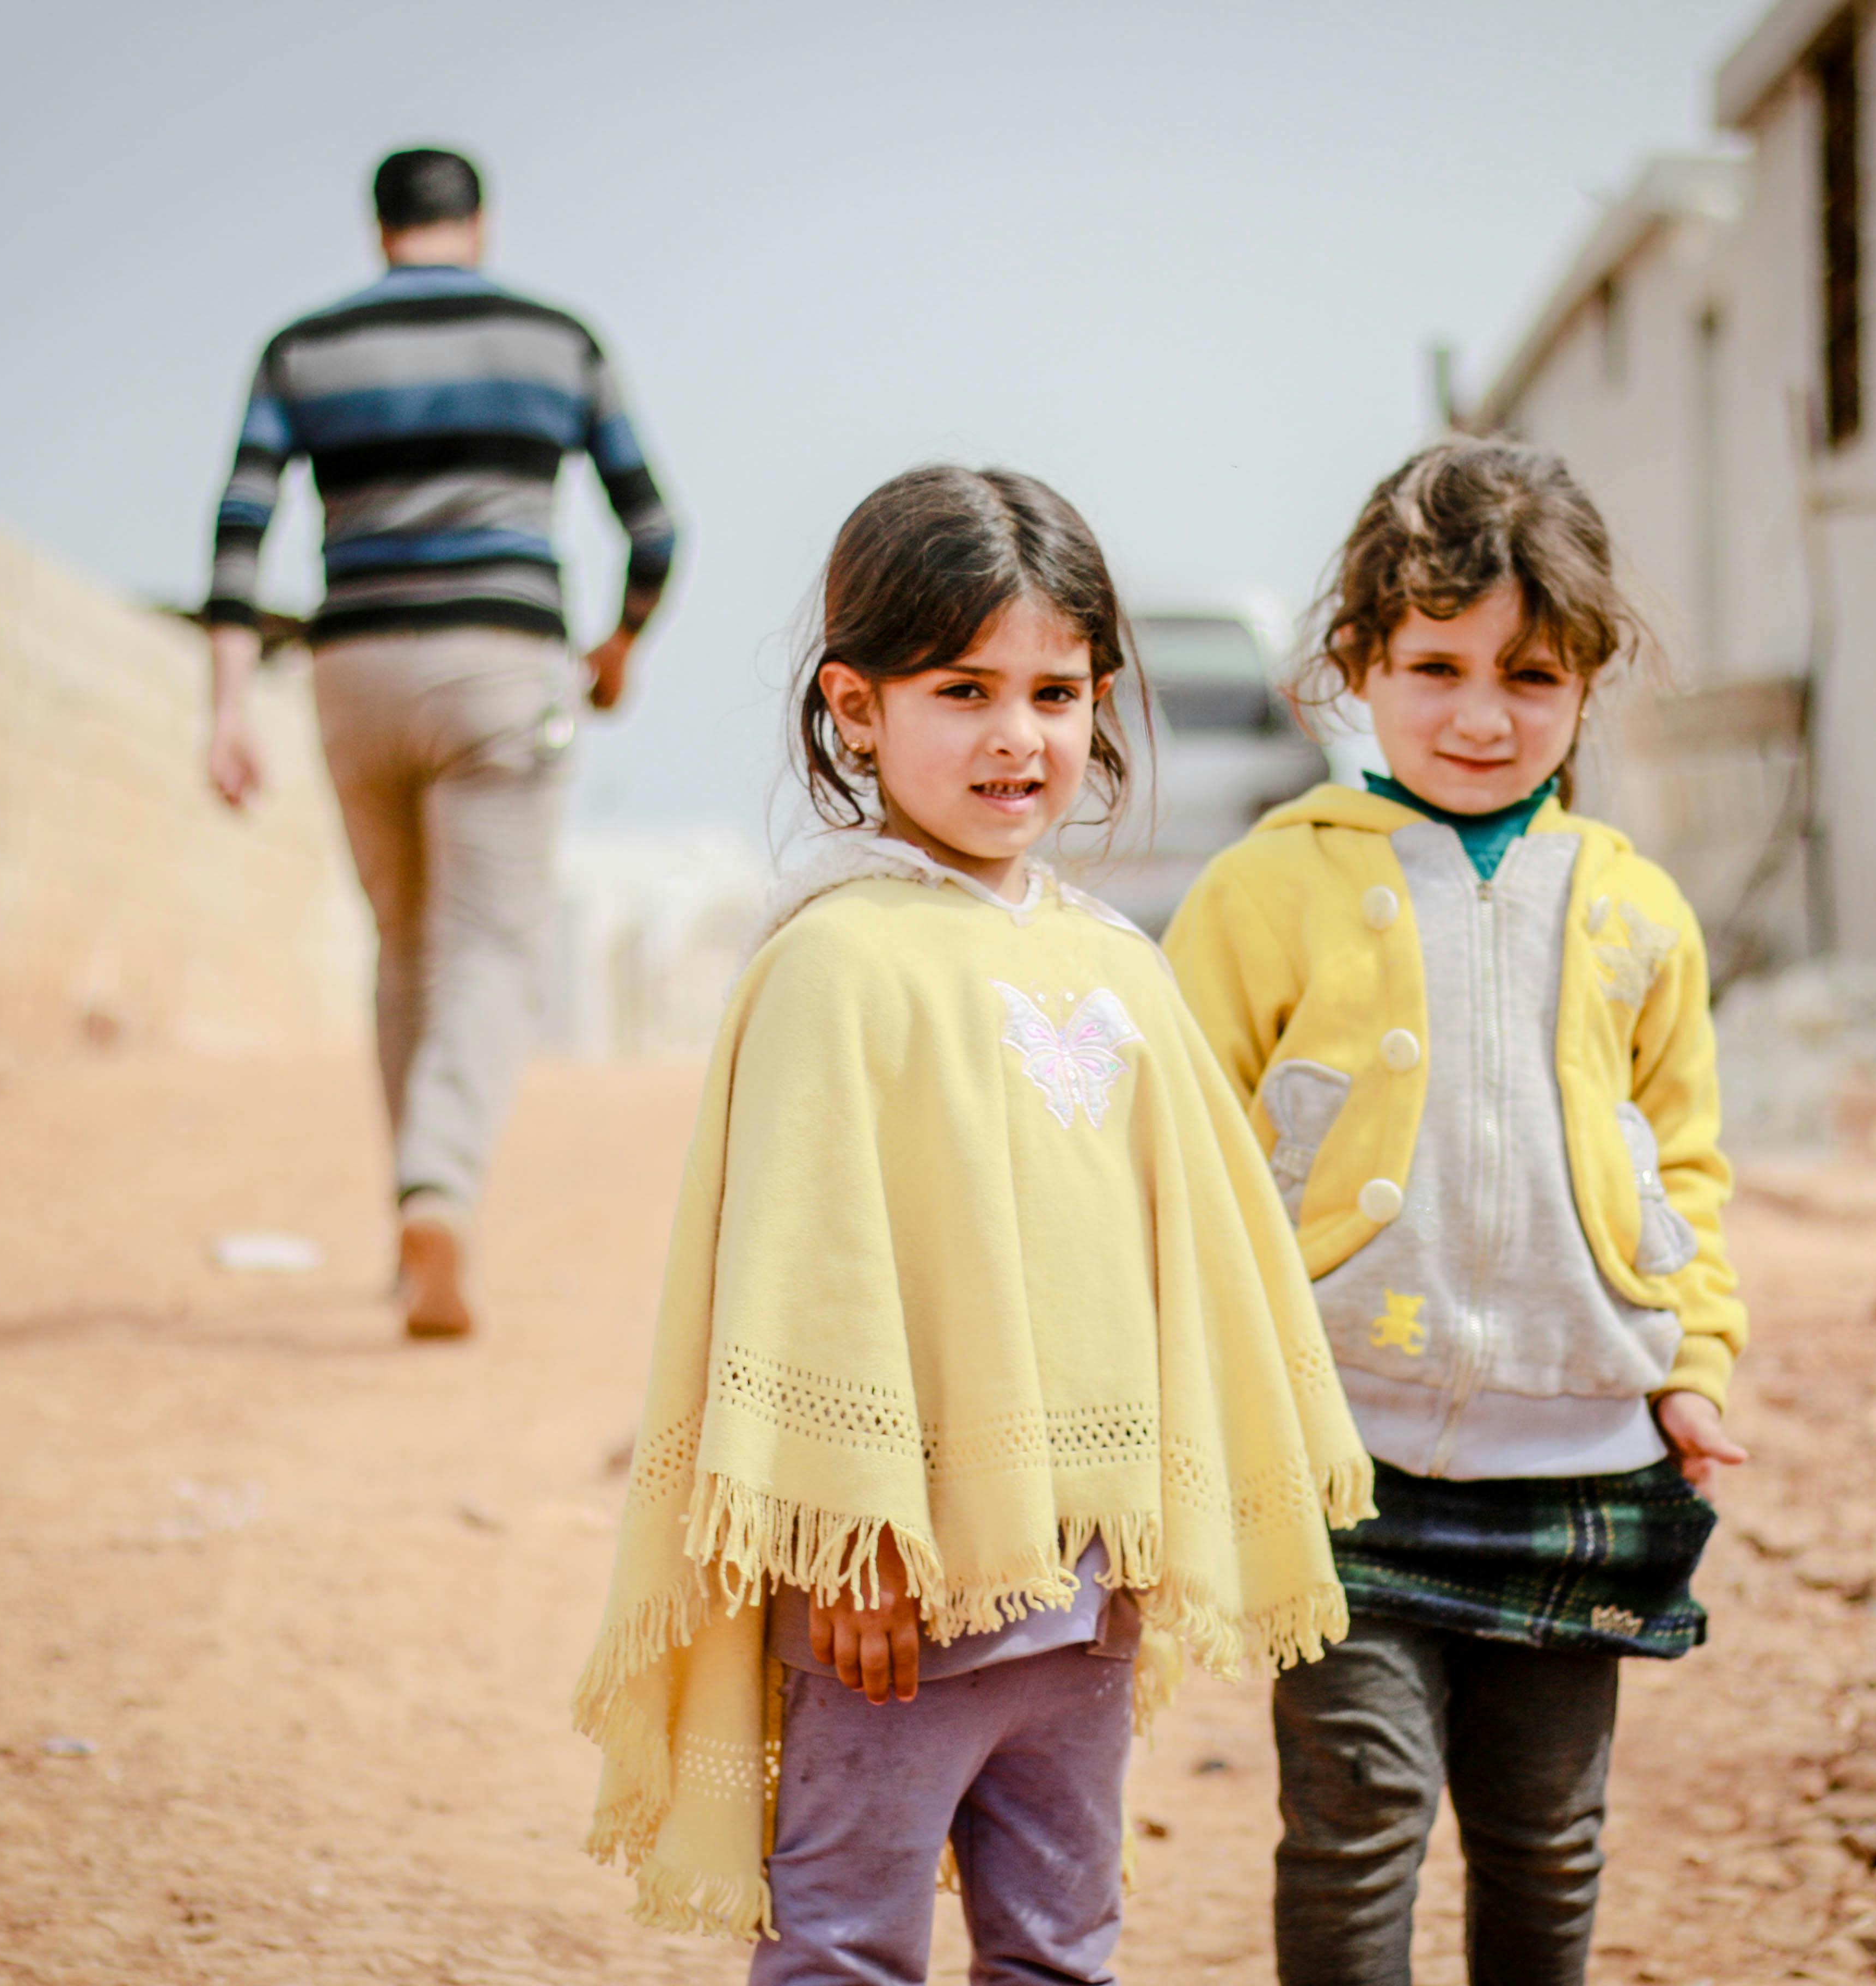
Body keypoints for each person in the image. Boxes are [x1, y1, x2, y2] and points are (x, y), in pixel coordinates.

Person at [569, 465, 1373, 1983]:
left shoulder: (1116, 967)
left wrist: (1160, 1519)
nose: (1018, 735)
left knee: (1064, 1945)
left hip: (1087, 1599)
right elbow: (812, 1271)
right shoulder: (837, 962)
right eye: (963, 690)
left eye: (1056, 694)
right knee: (847, 1944)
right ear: (856, 708)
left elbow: (1198, 1258)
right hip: (899, 1605)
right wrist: (853, 1545)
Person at [1162, 439, 1751, 1986]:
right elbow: (1186, 1164)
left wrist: (1694, 1359)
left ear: (1589, 682)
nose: (1483, 717)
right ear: (1358, 660)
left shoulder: (1637, 910)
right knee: (1357, 1817)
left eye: (1531, 677)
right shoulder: (1262, 894)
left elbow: (1685, 1164)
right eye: (1437, 668)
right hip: (1338, 1454)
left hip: (1579, 1451)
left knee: (1549, 1836)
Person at [198, 146, 678, 1340]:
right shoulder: (559, 341)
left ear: (380, 230)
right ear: (481, 222)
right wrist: (620, 644)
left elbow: (240, 529)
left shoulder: (303, 350)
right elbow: (655, 527)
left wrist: (226, 707)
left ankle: (412, 1212)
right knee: (488, 949)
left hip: (354, 671)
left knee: (404, 945)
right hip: (503, 669)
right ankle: (439, 1192)